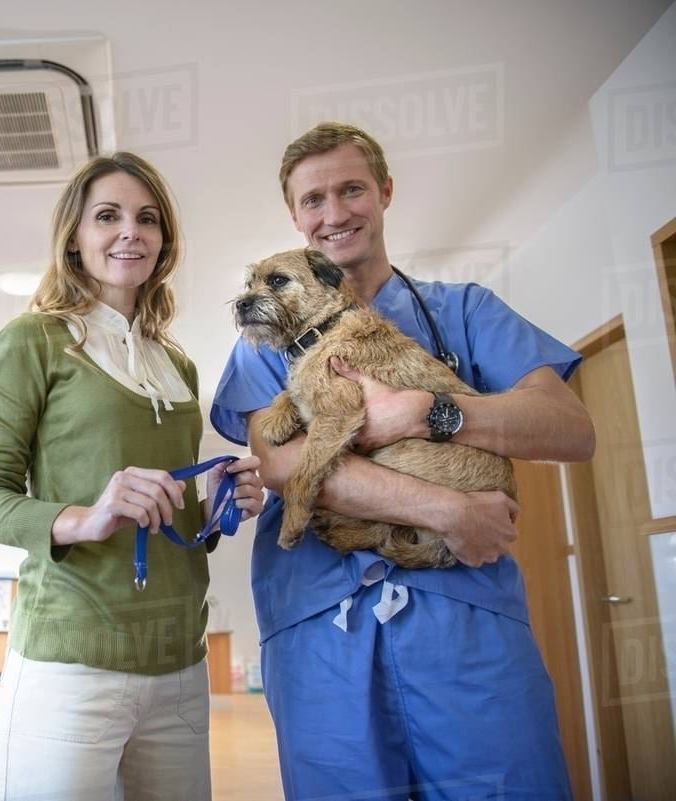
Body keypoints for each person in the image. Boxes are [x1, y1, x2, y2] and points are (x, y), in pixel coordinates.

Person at [212, 122, 595, 800]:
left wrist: (425, 410)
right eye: (313, 199)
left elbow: (570, 429)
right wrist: (447, 507)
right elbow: (278, 465)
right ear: (294, 216)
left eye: (352, 188)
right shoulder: (266, 336)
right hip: (320, 621)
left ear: (384, 192)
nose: (334, 213)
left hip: (466, 617)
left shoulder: (463, 312)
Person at [0, 151, 264, 801]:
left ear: (164, 240)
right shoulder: (33, 340)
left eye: (147, 218)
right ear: (74, 236)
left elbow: (172, 514)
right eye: (108, 215)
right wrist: (85, 516)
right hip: (69, 666)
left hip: (181, 665)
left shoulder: (176, 365)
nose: (131, 231)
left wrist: (216, 508)